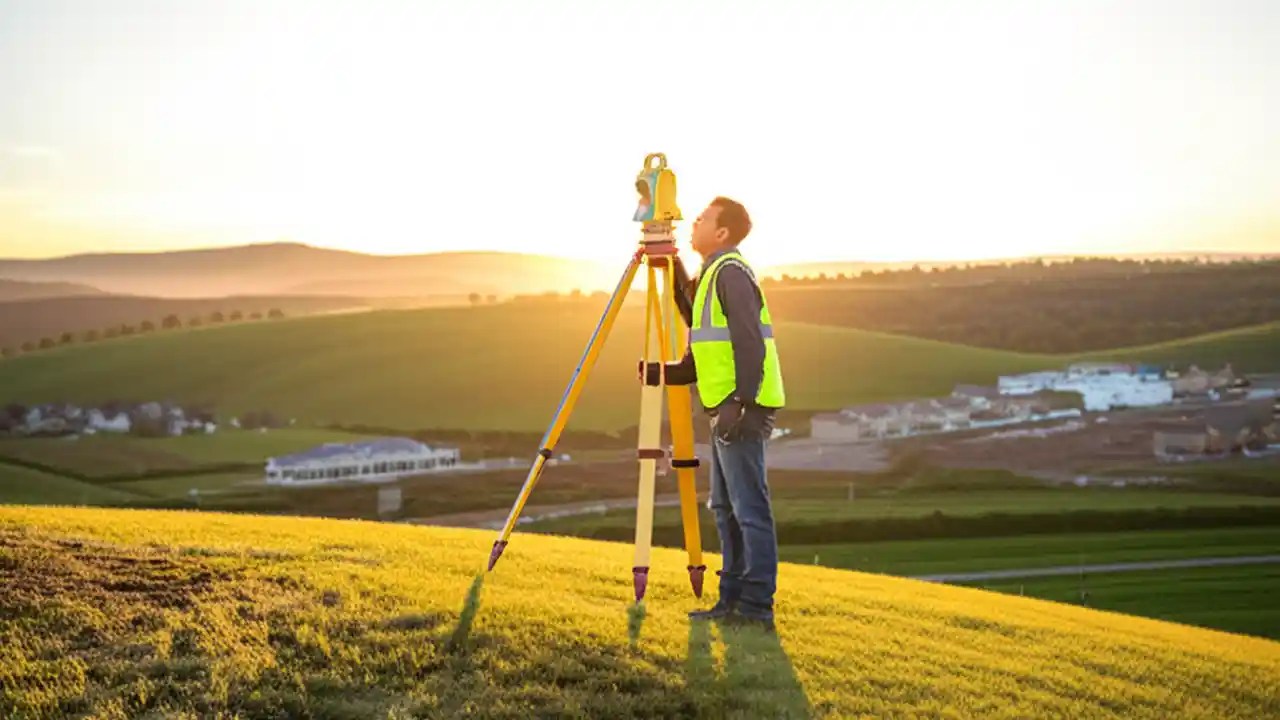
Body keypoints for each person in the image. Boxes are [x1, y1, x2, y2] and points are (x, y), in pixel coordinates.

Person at [640, 196, 786, 630]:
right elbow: (696, 354)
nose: (693, 222)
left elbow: (749, 342)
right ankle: (731, 600)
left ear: (721, 232)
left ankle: (757, 607)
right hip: (724, 408)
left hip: (741, 408)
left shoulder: (731, 274)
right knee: (724, 507)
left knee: (749, 509)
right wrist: (659, 372)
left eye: (702, 219)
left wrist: (739, 403)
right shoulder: (709, 277)